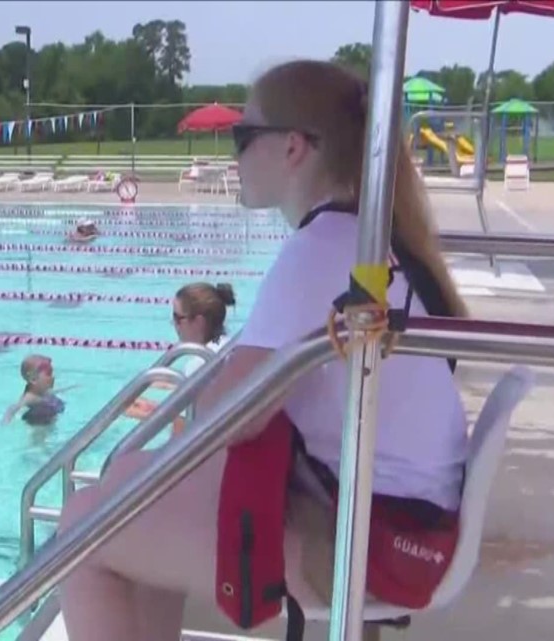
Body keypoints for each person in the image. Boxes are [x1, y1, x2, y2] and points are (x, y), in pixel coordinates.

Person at [56, 59, 470, 641]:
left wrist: (217, 395)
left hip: (371, 541)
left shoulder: (319, 250)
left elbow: (230, 420)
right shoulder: (362, 241)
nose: (234, 155)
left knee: (81, 526)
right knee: (131, 476)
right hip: (403, 521)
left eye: (243, 137)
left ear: (293, 148)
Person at [125, 282, 237, 433]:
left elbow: (184, 439)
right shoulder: (228, 345)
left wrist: (148, 415)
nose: (173, 324)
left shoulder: (200, 363)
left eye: (178, 318)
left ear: (198, 322)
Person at [1, 354, 75, 426]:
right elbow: (14, 407)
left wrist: (70, 388)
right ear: (33, 379)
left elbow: (53, 392)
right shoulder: (30, 396)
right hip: (38, 422)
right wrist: (6, 419)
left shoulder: (42, 391)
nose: (53, 377)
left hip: (50, 415)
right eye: (48, 374)